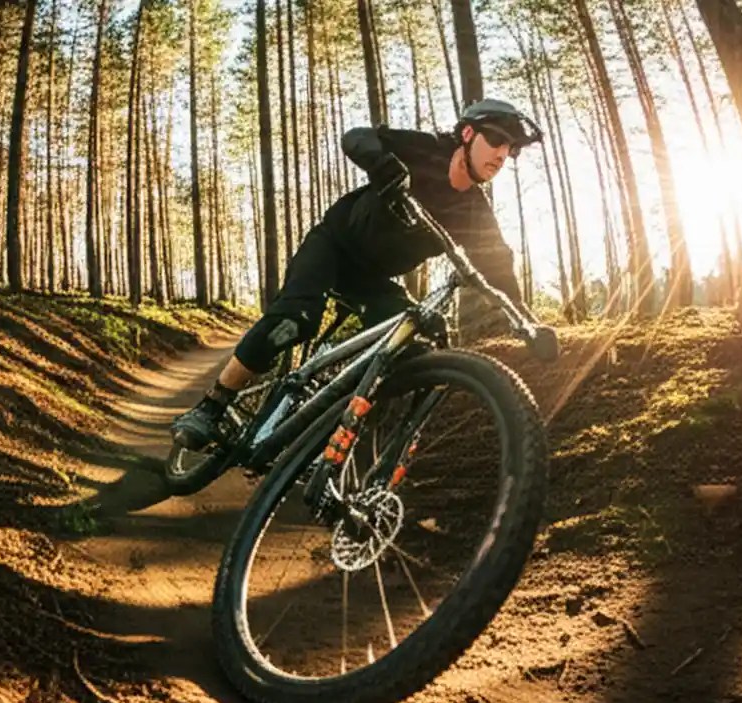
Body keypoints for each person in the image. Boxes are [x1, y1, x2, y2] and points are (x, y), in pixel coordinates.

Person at [171, 98, 543, 452]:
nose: (501, 153)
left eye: (511, 149)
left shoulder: (475, 213)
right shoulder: (424, 149)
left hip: (372, 281)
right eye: (496, 139)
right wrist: (380, 163)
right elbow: (357, 136)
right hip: (332, 247)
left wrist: (529, 324)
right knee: (292, 322)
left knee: (413, 346)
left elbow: (500, 269)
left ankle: (346, 434)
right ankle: (211, 406)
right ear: (467, 135)